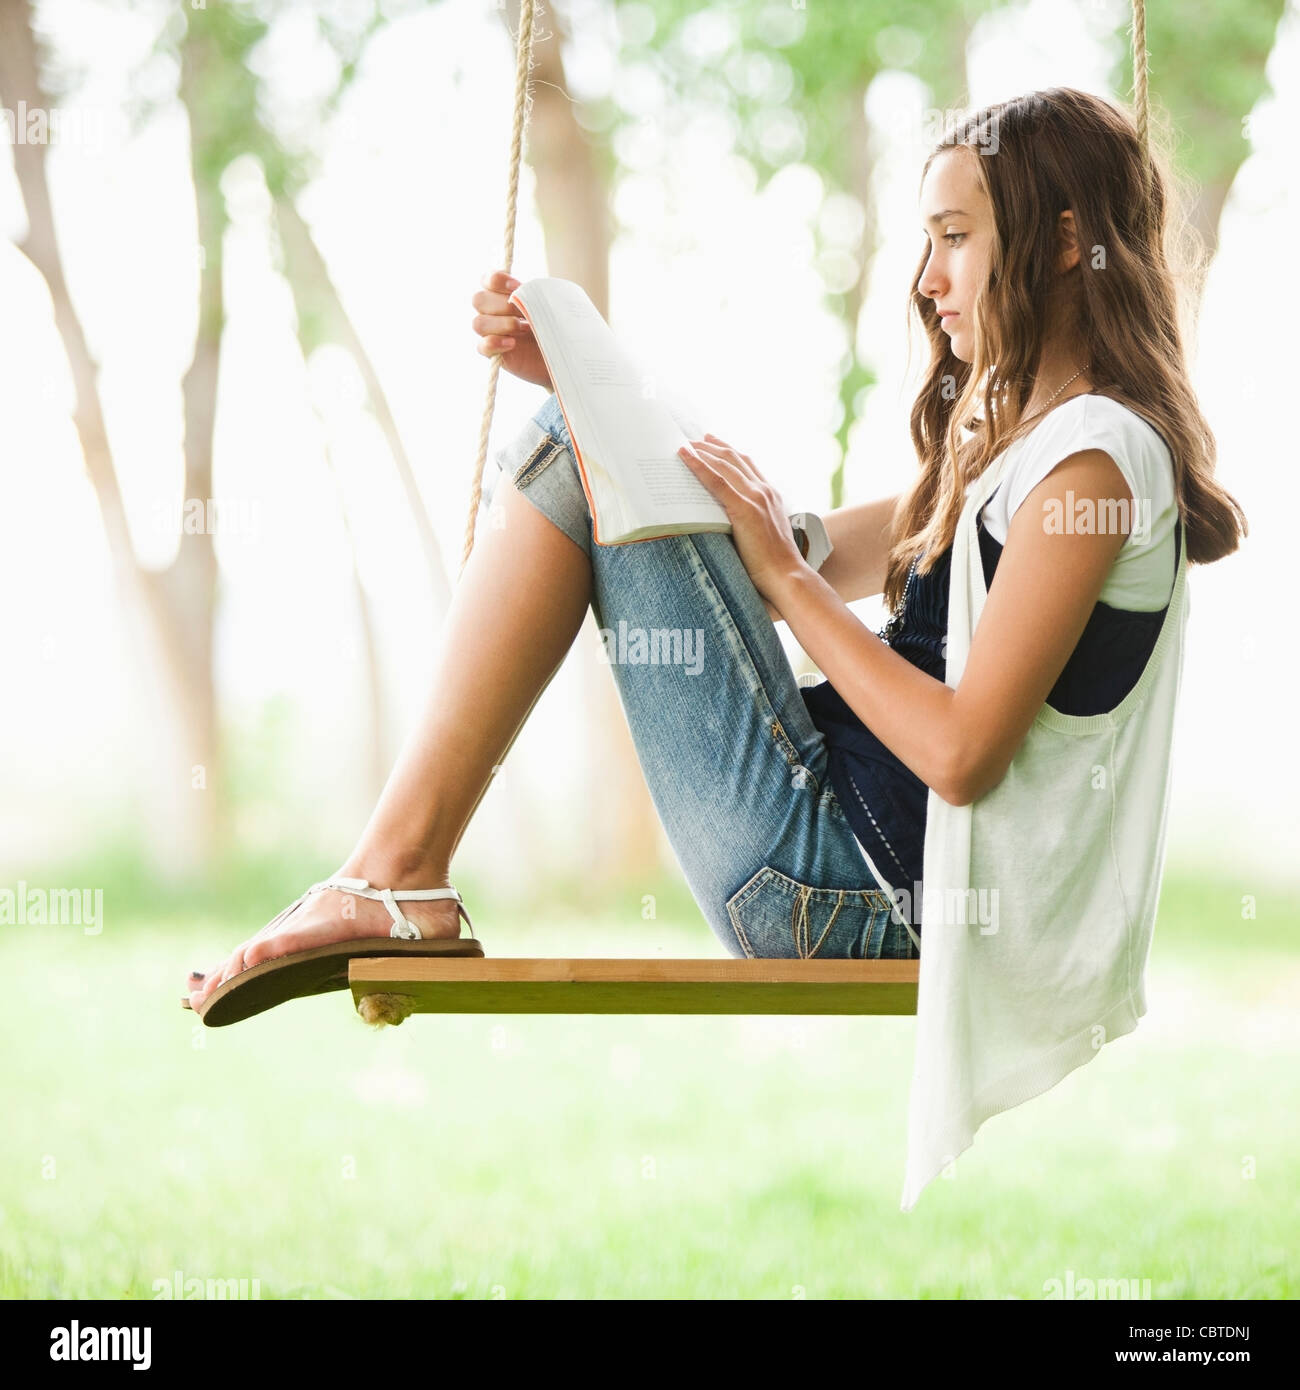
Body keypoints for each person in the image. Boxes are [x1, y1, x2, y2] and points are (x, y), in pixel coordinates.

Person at [185, 87, 1245, 1013]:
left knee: (566, 448)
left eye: (954, 236)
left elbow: (960, 752)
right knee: (573, 440)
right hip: (841, 868)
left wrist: (763, 558)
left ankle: (397, 875)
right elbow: (793, 550)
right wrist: (592, 389)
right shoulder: (1022, 446)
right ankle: (397, 872)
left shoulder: (1094, 463)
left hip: (847, 887)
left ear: (1066, 242)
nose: (925, 278)